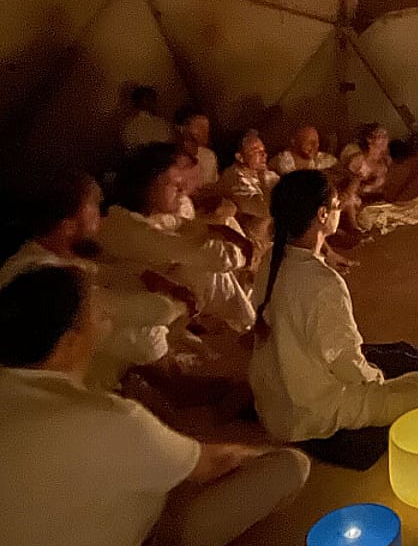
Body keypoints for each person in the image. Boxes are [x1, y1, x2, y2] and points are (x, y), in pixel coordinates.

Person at [0, 265, 309, 546]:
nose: (106, 312)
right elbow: (211, 464)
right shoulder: (108, 419)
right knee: (291, 466)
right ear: (68, 344)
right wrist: (253, 453)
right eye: (95, 310)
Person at [248, 170, 418, 441]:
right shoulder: (323, 284)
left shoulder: (269, 263)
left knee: (400, 362)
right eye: (337, 206)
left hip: (273, 407)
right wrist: (377, 380)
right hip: (314, 413)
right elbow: (346, 362)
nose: (340, 210)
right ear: (322, 215)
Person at [0, 172, 182, 390]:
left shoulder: (55, 254)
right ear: (67, 226)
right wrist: (180, 305)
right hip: (40, 388)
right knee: (127, 326)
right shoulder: (43, 275)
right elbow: (148, 310)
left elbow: (106, 272)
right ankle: (172, 385)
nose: (100, 215)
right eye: (93, 209)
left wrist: (145, 273)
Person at [99, 143, 256, 335]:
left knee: (217, 236)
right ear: (148, 185)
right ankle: (245, 324)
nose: (182, 189)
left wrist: (222, 230)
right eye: (174, 184)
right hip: (132, 306)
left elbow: (180, 224)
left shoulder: (149, 214)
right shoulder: (129, 228)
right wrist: (243, 255)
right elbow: (217, 257)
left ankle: (244, 321)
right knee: (204, 270)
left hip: (156, 284)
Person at [340, 123, 418, 233]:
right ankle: (355, 229)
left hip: (383, 198)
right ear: (370, 140)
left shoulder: (386, 160)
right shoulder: (359, 160)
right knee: (368, 215)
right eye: (382, 136)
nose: (386, 139)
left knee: (415, 205)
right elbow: (350, 190)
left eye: (386, 135)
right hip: (364, 203)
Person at [120, 85, 174, 153]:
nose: (155, 103)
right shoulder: (160, 123)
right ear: (144, 101)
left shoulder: (128, 126)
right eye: (152, 99)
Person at [174, 106, 219, 187]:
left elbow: (213, 186)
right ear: (181, 128)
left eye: (207, 127)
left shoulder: (209, 156)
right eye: (200, 127)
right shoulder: (169, 158)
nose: (205, 131)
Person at [271, 125, 338, 175]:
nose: (316, 146)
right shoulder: (280, 161)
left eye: (317, 142)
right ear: (294, 142)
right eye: (310, 142)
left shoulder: (326, 160)